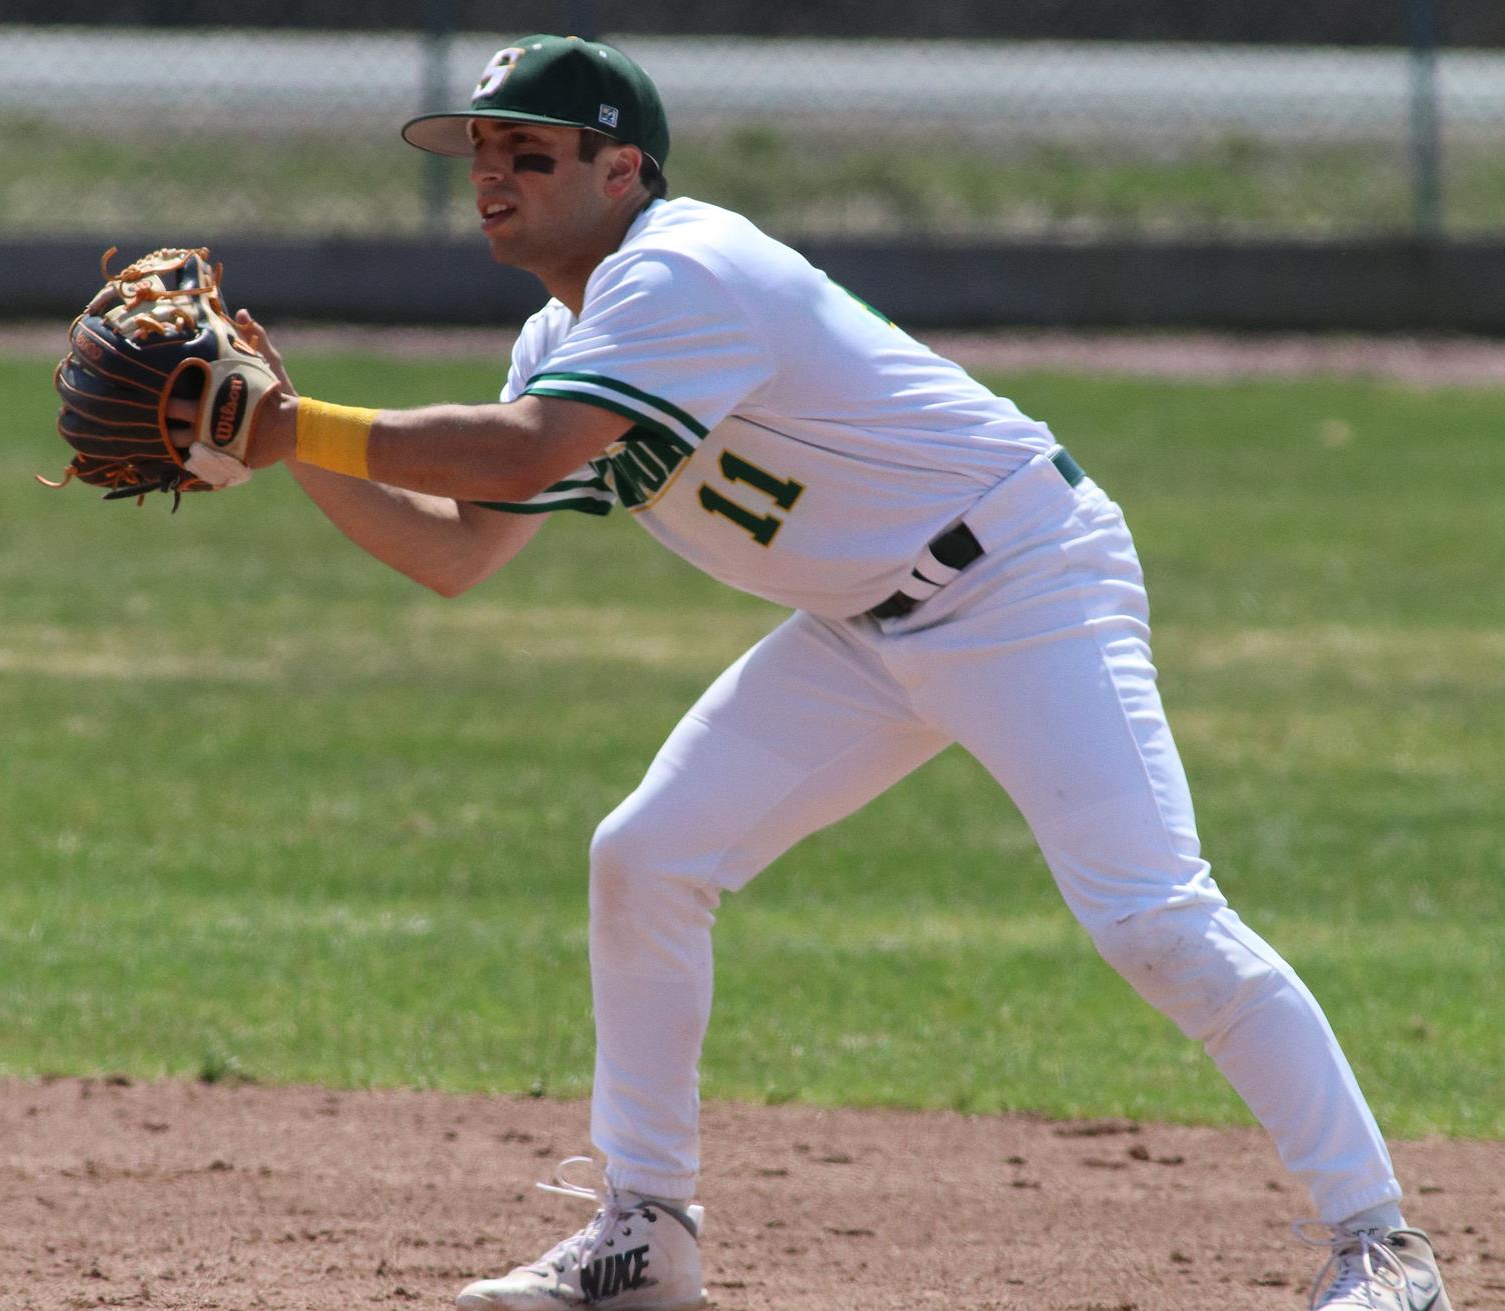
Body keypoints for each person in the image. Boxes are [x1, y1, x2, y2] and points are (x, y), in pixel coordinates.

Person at [211, 35, 1452, 1311]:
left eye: (530, 152)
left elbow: (529, 454)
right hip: (864, 625)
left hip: (1024, 582)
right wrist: (289, 446)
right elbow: (459, 550)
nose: (492, 177)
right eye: (479, 152)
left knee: (1153, 920)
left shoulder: (686, 266)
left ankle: (1387, 1252)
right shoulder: (560, 331)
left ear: (623, 168)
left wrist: (291, 425)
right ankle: (646, 1234)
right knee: (645, 859)